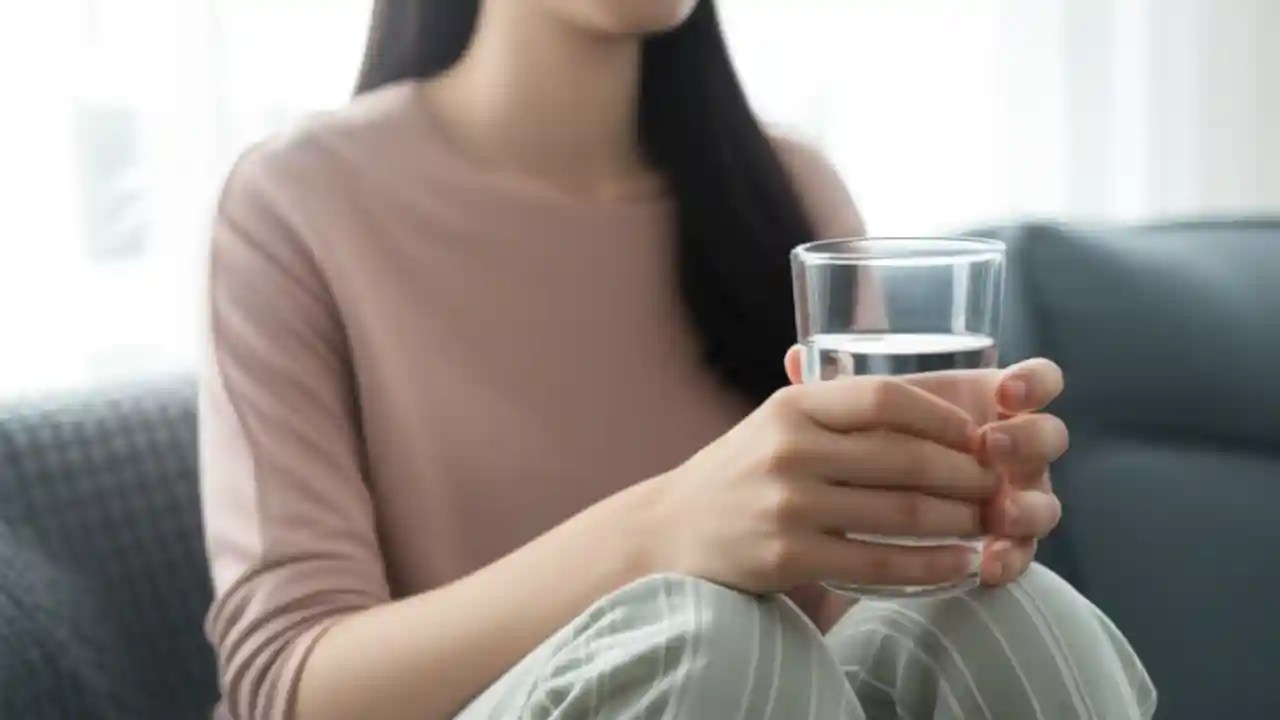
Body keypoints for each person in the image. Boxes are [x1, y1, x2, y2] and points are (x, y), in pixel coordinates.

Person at [200, 1, 1156, 718]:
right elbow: (287, 685)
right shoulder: (301, 200)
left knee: (1013, 614)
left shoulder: (787, 192)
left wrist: (937, 524)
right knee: (720, 642)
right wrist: (666, 531)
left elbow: (850, 627)